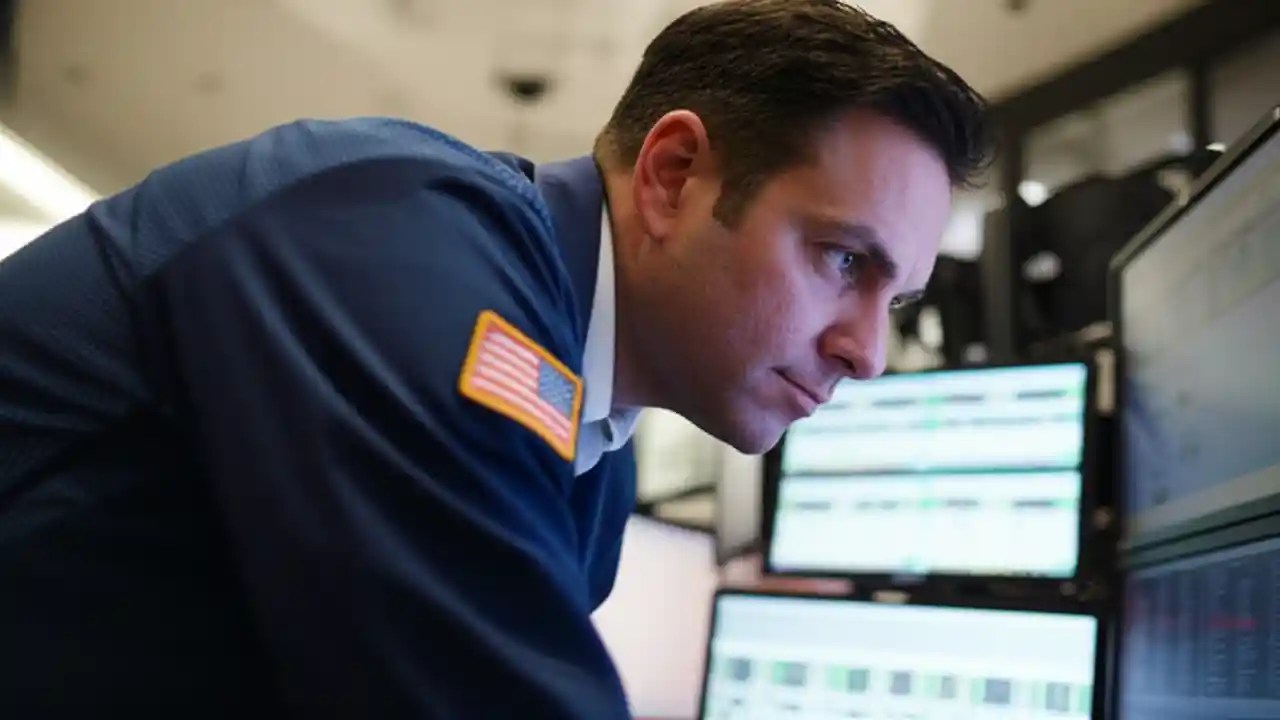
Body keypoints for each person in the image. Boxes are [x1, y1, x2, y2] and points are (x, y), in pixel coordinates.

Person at [0, 0, 989, 716]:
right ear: (673, 175)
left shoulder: (593, 467)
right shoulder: (400, 241)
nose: (867, 352)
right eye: (842, 259)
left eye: (895, 298)